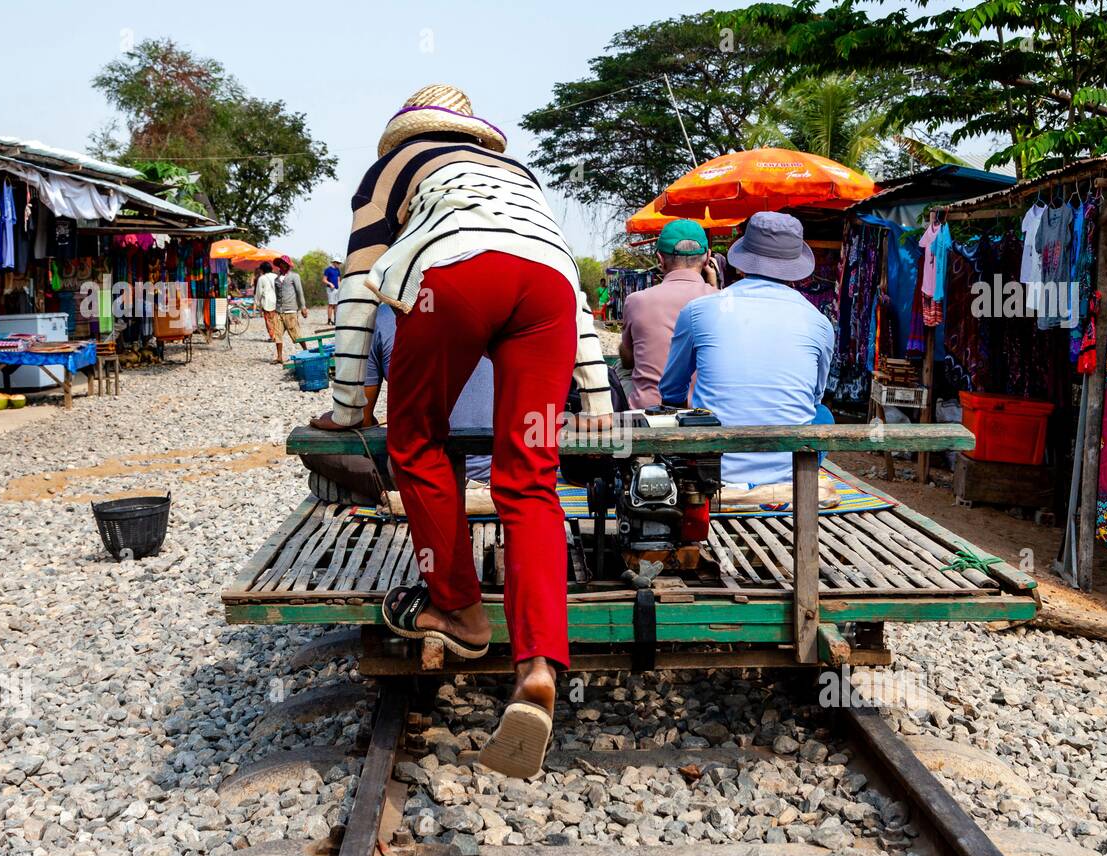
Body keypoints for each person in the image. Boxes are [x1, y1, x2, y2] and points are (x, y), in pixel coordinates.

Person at [307, 84, 612, 778]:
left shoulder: (391, 169)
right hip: (547, 294)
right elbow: (573, 291)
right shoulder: (519, 177)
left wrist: (350, 408)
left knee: (417, 441)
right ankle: (536, 669)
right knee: (530, 479)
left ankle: (461, 612)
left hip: (455, 282)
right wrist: (594, 397)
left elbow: (359, 287)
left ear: (406, 130)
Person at [660, 211, 836, 486]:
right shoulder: (819, 323)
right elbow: (813, 398)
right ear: (796, 267)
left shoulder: (698, 311)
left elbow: (671, 391)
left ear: (743, 261)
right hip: (788, 474)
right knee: (823, 415)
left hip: (713, 470)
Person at [363, 303, 494, 483]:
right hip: (497, 470)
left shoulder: (380, 317)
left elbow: (361, 418)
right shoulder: (494, 310)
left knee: (318, 457)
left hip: (424, 475)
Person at [618, 219, 717, 409]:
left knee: (620, 368)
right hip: (704, 412)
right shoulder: (720, 300)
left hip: (650, 412)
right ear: (707, 258)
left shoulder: (636, 300)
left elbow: (628, 360)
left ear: (660, 259)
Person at [269, 256, 307, 363]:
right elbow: (277, 295)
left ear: (288, 265)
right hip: (278, 311)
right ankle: (279, 357)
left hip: (291, 310)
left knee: (296, 334)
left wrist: (303, 307)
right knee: (277, 334)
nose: (282, 265)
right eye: (281, 263)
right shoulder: (276, 279)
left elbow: (300, 292)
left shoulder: (294, 277)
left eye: (284, 263)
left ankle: (306, 351)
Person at [253, 262, 278, 345]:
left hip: (267, 302)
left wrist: (257, 302)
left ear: (263, 269)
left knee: (268, 320)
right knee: (276, 320)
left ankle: (272, 336)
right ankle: (277, 335)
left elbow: (259, 292)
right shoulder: (276, 276)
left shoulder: (262, 278)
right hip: (277, 301)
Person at [323, 257, 342, 325]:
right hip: (330, 289)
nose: (339, 264)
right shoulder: (328, 270)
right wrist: (330, 283)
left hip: (337, 289)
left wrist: (340, 289)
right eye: (338, 263)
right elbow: (324, 280)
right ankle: (329, 320)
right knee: (331, 304)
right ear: (334, 262)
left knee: (336, 305)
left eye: (339, 263)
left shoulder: (338, 270)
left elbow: (339, 280)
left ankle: (336, 320)